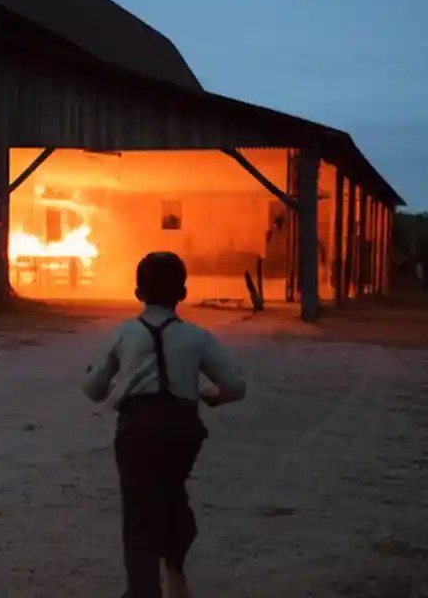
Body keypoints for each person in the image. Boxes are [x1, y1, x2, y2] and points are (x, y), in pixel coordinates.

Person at [82, 252, 247, 598]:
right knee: (172, 494)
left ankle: (143, 590)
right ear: (183, 293)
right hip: (181, 429)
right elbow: (235, 385)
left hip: (138, 429)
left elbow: (94, 390)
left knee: (137, 509)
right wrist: (214, 397)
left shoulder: (124, 333)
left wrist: (106, 380)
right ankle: (175, 570)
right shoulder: (197, 337)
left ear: (137, 293)